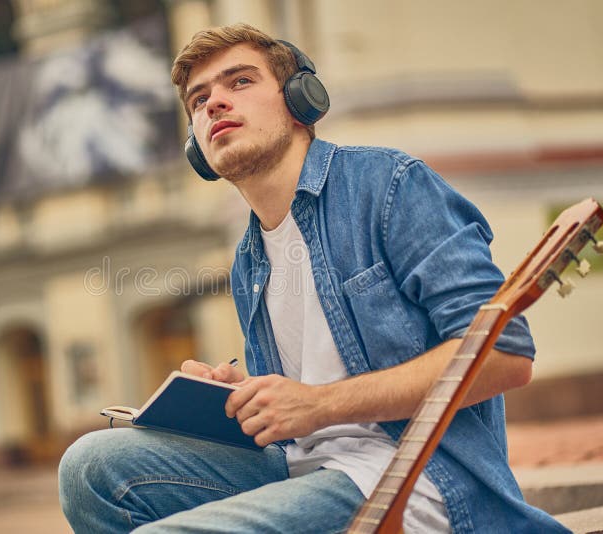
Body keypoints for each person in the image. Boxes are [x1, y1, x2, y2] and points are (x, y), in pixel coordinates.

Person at [59, 23, 569, 533]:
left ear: (301, 100)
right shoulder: (249, 260)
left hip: (416, 481)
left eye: (239, 82)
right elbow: (294, 417)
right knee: (89, 465)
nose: (214, 103)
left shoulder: (389, 187)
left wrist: (319, 404)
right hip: (300, 470)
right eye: (199, 99)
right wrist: (242, 400)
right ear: (196, 146)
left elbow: (505, 355)